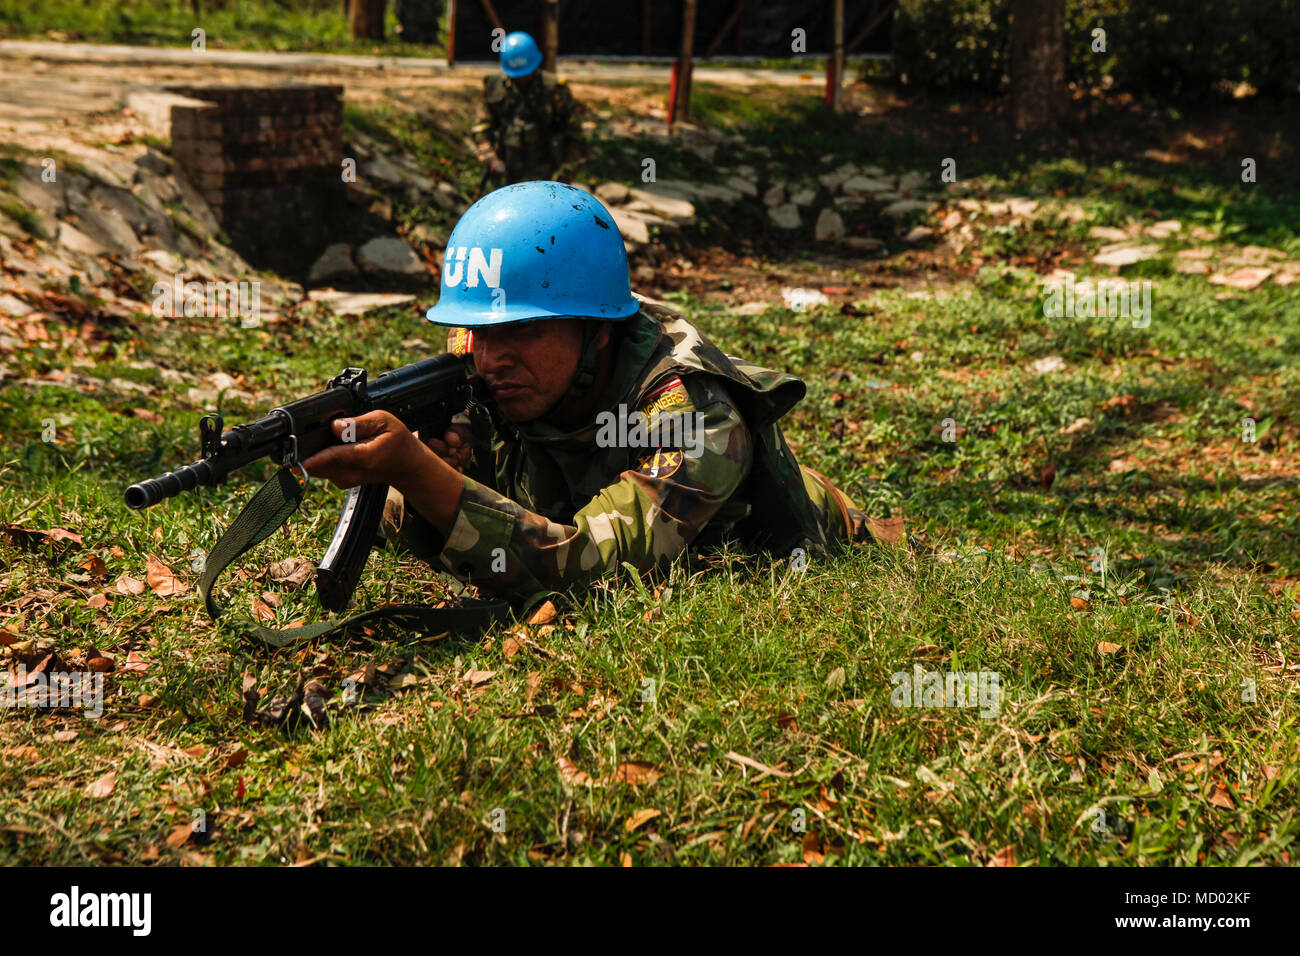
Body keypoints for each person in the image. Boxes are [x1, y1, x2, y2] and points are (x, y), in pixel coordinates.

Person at [301, 182, 903, 612]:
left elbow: (586, 570)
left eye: (522, 331)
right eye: (480, 332)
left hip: (790, 535)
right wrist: (432, 464)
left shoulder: (693, 417)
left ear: (599, 329)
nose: (491, 359)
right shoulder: (489, 365)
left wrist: (417, 472)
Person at [475, 31, 580, 185]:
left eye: (525, 74)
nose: (521, 79)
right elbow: (481, 130)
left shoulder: (555, 90)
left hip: (546, 175)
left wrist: (567, 169)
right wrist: (491, 158)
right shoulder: (494, 88)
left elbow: (575, 134)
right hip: (506, 175)